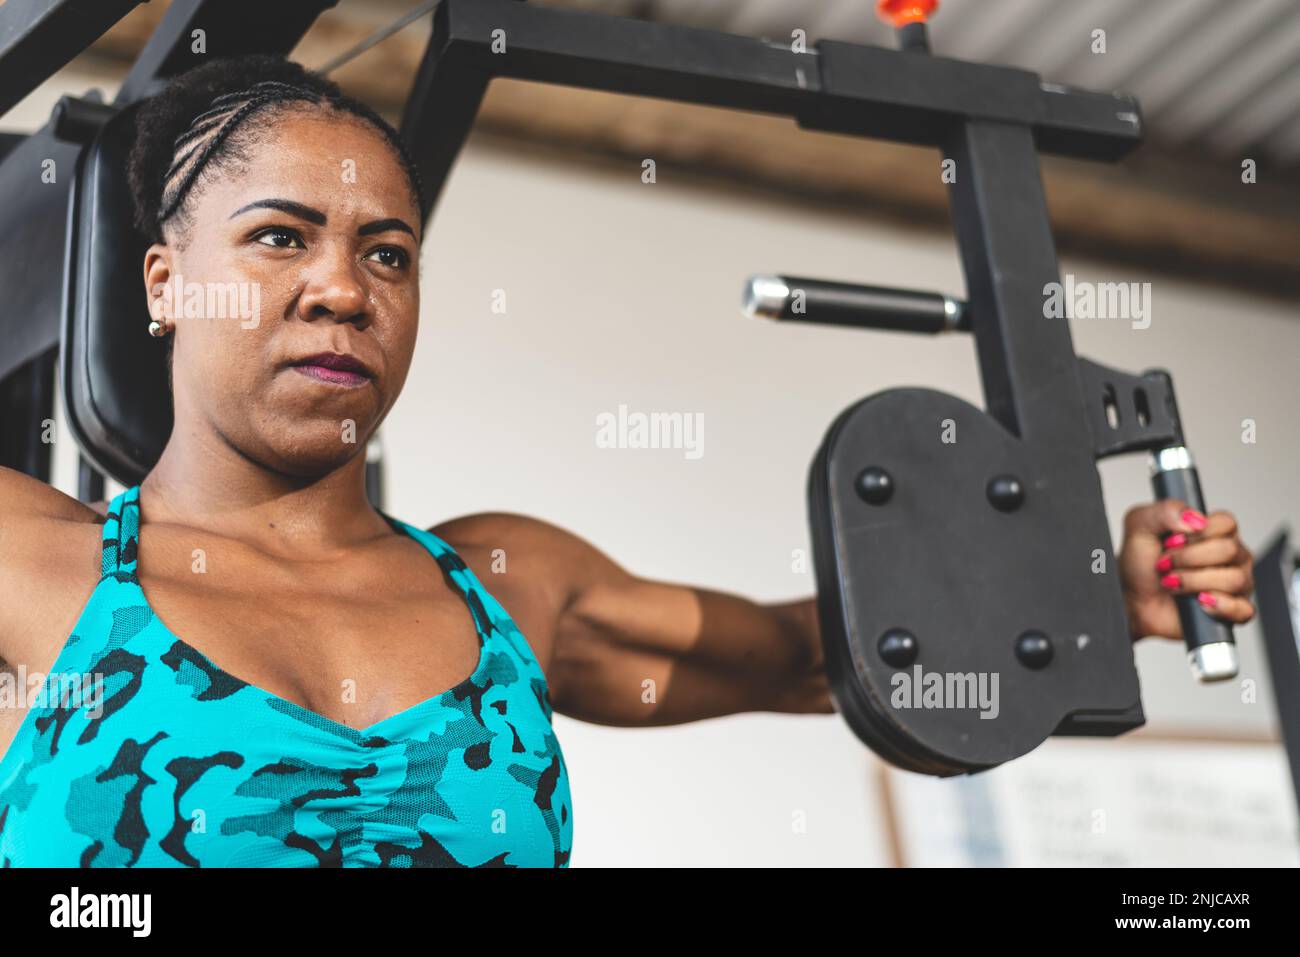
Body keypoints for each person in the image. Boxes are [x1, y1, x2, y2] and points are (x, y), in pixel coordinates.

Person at [0, 55, 1257, 868]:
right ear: (163, 282)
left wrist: (1086, 593)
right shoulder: (32, 564)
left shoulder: (506, 586)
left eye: (388, 254)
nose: (341, 287)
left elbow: (827, 662)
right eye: (280, 237)